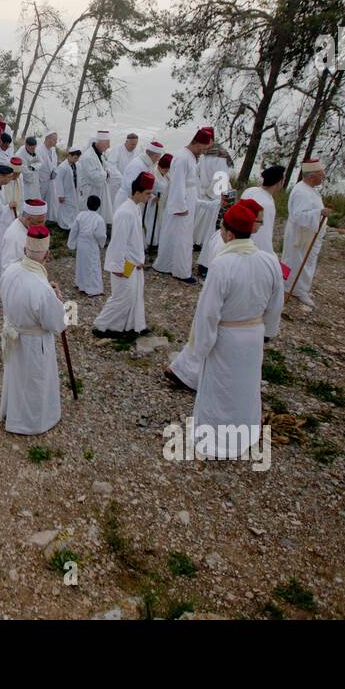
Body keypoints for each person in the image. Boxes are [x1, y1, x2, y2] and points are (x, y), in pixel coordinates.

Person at [164, 203, 285, 459]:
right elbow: (276, 303)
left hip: (227, 336)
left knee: (220, 387)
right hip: (253, 333)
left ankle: (215, 442)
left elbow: (208, 312)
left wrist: (202, 346)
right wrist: (268, 331)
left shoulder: (222, 265)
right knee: (245, 385)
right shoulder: (269, 261)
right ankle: (245, 434)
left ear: (229, 233)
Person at [0, 225, 68, 435]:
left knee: (17, 378)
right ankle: (32, 422)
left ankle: (14, 414)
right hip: (34, 343)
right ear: (47, 254)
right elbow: (56, 323)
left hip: (15, 335)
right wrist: (58, 299)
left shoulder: (10, 270)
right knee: (35, 381)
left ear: (25, 250)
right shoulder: (41, 287)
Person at [92, 172, 155, 338]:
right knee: (121, 297)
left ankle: (132, 327)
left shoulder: (135, 208)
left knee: (134, 295)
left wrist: (139, 258)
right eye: (148, 193)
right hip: (124, 263)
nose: (150, 196)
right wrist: (117, 266)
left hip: (133, 262)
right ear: (138, 192)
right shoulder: (125, 212)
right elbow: (118, 242)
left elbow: (134, 238)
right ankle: (101, 326)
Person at [154, 127, 212, 284]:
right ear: (198, 143)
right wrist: (180, 206)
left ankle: (166, 264)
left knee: (174, 234)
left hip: (188, 197)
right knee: (182, 237)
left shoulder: (191, 156)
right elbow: (178, 183)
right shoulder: (182, 157)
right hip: (182, 201)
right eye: (204, 148)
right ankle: (181, 271)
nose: (204, 151)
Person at [281, 158, 332, 308]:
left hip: (308, 234)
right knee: (294, 261)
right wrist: (320, 212)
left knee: (306, 262)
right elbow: (298, 215)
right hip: (301, 236)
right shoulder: (301, 192)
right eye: (321, 174)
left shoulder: (310, 190)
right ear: (311, 176)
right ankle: (289, 288)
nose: (323, 177)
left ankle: (299, 288)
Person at [68, 194, 106, 296]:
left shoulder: (81, 215)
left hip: (81, 243)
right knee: (92, 265)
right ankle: (92, 289)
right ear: (98, 206)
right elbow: (101, 235)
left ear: (87, 204)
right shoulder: (99, 219)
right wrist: (101, 244)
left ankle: (81, 284)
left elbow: (74, 230)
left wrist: (72, 243)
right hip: (91, 244)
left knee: (81, 263)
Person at [242, 165, 284, 256]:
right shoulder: (266, 204)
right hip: (250, 248)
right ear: (279, 182)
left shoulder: (250, 190)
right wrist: (270, 256)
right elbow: (263, 235)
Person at [76, 131, 114, 225]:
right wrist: (106, 174)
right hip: (90, 192)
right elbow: (92, 176)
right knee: (88, 218)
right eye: (107, 144)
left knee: (97, 218)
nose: (109, 146)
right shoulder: (88, 156)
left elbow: (105, 167)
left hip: (98, 191)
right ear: (101, 143)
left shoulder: (98, 154)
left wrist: (106, 173)